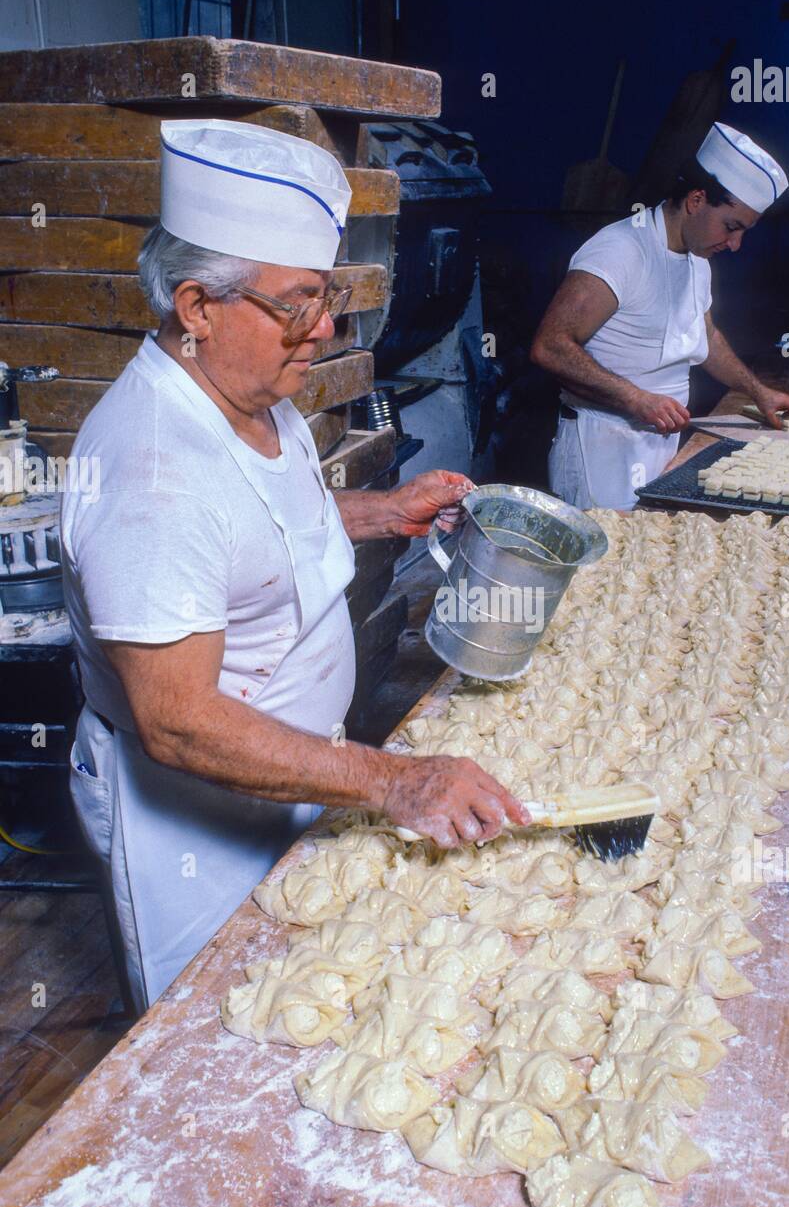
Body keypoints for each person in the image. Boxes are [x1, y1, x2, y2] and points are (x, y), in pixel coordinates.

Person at [61, 119, 528, 1011]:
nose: (323, 329)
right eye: (297, 304)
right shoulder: (152, 474)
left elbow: (253, 536)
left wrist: (381, 513)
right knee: (225, 1029)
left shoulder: (249, 391)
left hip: (297, 775)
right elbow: (179, 723)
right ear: (198, 307)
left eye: (326, 297)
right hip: (196, 824)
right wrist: (393, 779)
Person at [533, 122, 789, 509]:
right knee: (603, 548)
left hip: (660, 442)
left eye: (744, 231)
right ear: (696, 200)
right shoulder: (621, 250)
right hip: (601, 447)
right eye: (731, 227)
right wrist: (635, 399)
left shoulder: (697, 257)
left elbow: (704, 336)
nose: (736, 244)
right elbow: (549, 346)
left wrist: (758, 392)